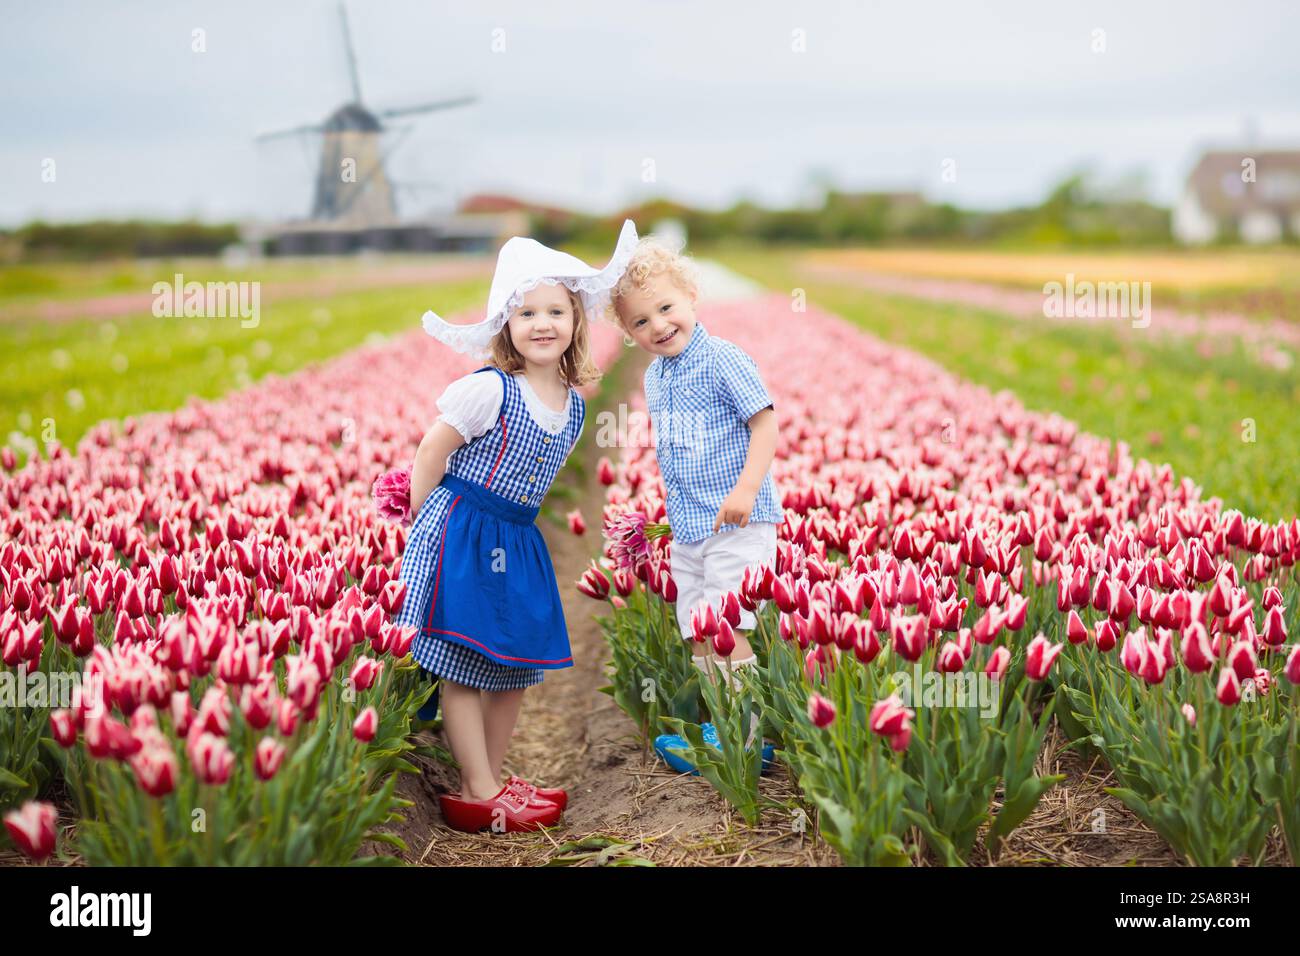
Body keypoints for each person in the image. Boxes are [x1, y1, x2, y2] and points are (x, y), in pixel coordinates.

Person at [395, 220, 637, 832]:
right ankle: (476, 789)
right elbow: (431, 452)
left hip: (517, 537)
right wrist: (429, 528)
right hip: (465, 530)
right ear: (506, 325)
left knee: (513, 665)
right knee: (461, 663)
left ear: (577, 320)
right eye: (525, 312)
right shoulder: (489, 391)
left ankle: (494, 779)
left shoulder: (574, 403)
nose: (542, 323)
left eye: (555, 310)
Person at [608, 235, 783, 773]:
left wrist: (747, 490)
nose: (658, 326)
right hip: (689, 529)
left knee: (730, 633)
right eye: (640, 322)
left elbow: (765, 422)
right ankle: (721, 727)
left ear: (690, 295)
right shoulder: (657, 376)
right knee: (700, 634)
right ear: (628, 333)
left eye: (665, 308)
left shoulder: (722, 358)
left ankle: (749, 741)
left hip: (738, 522)